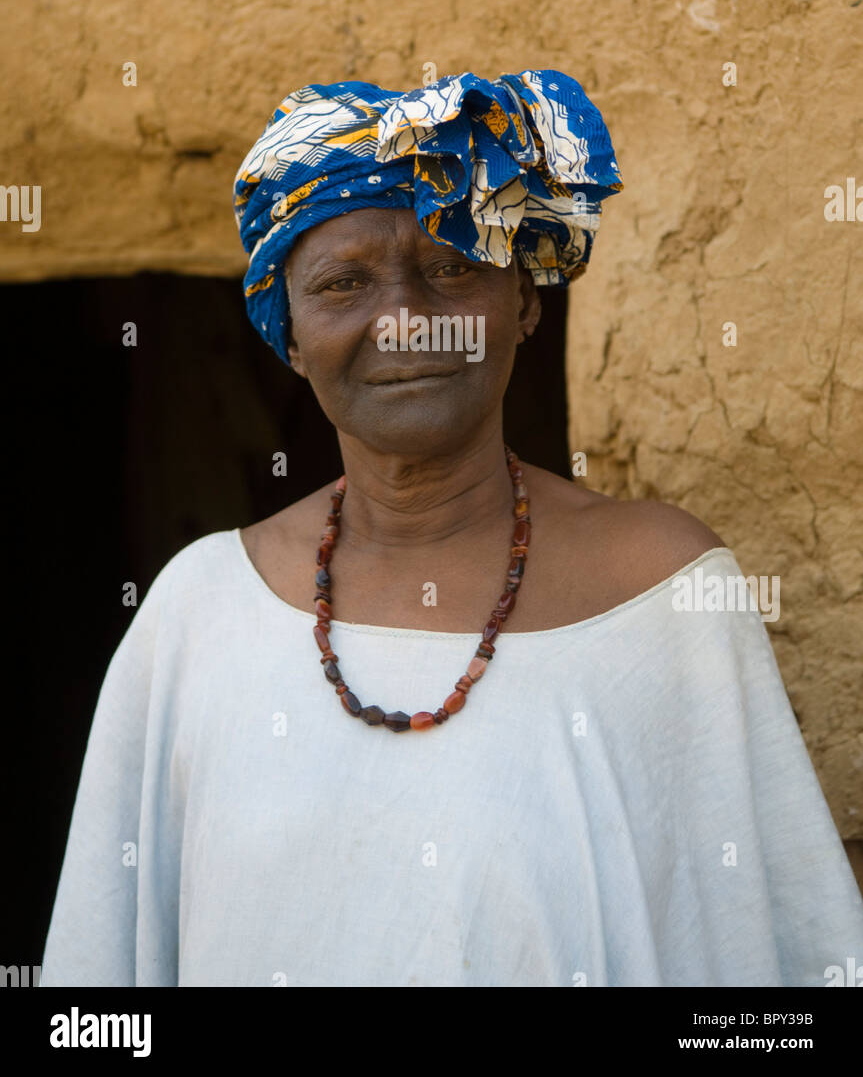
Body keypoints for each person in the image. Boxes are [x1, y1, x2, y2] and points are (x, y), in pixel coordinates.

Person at [40, 69, 863, 987]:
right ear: (291, 335)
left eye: (450, 268)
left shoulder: (664, 596)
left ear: (524, 303)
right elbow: (102, 978)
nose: (402, 322)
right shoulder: (196, 614)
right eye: (342, 283)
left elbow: (773, 974)